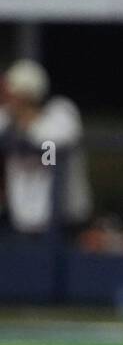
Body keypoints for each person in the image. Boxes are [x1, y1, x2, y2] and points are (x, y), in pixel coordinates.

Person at [0, 60, 92, 234]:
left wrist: (25, 121)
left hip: (66, 229)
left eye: (13, 94)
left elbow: (56, 137)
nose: (8, 100)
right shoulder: (7, 120)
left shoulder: (61, 114)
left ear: (26, 95)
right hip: (23, 229)